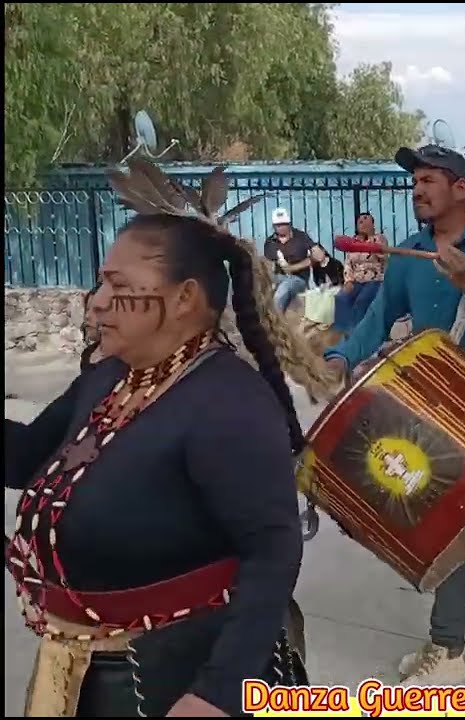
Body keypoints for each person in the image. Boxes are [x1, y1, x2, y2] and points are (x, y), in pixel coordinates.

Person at [5, 162, 313, 716]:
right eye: (102, 282)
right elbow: (28, 457)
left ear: (185, 298)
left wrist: (218, 694)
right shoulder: (108, 377)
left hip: (172, 674)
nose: (98, 301)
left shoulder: (229, 404)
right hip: (78, 670)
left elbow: (273, 550)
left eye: (119, 286)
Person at [323, 144, 465, 685]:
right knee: (435, 519)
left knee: (445, 525)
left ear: (460, 188)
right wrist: (340, 356)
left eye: (428, 179)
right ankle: (461, 626)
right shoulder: (409, 252)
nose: (418, 190)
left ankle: (447, 648)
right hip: (425, 403)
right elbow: (379, 316)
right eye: (414, 181)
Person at [334, 212, 387, 334]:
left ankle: (356, 333)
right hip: (357, 280)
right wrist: (348, 281)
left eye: (366, 220)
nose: (362, 223)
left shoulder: (380, 239)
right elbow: (348, 264)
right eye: (360, 221)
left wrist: (369, 237)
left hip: (375, 280)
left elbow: (383, 255)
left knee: (361, 301)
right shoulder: (354, 242)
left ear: (373, 224)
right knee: (341, 298)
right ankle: (342, 333)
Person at [263, 208, 318, 312]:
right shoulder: (270, 242)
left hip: (298, 279)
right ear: (274, 226)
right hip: (278, 276)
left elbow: (316, 257)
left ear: (289, 224)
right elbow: (268, 263)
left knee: (283, 289)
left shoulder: (301, 237)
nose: (281, 227)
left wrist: (293, 268)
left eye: (284, 224)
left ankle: (276, 322)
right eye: (278, 225)